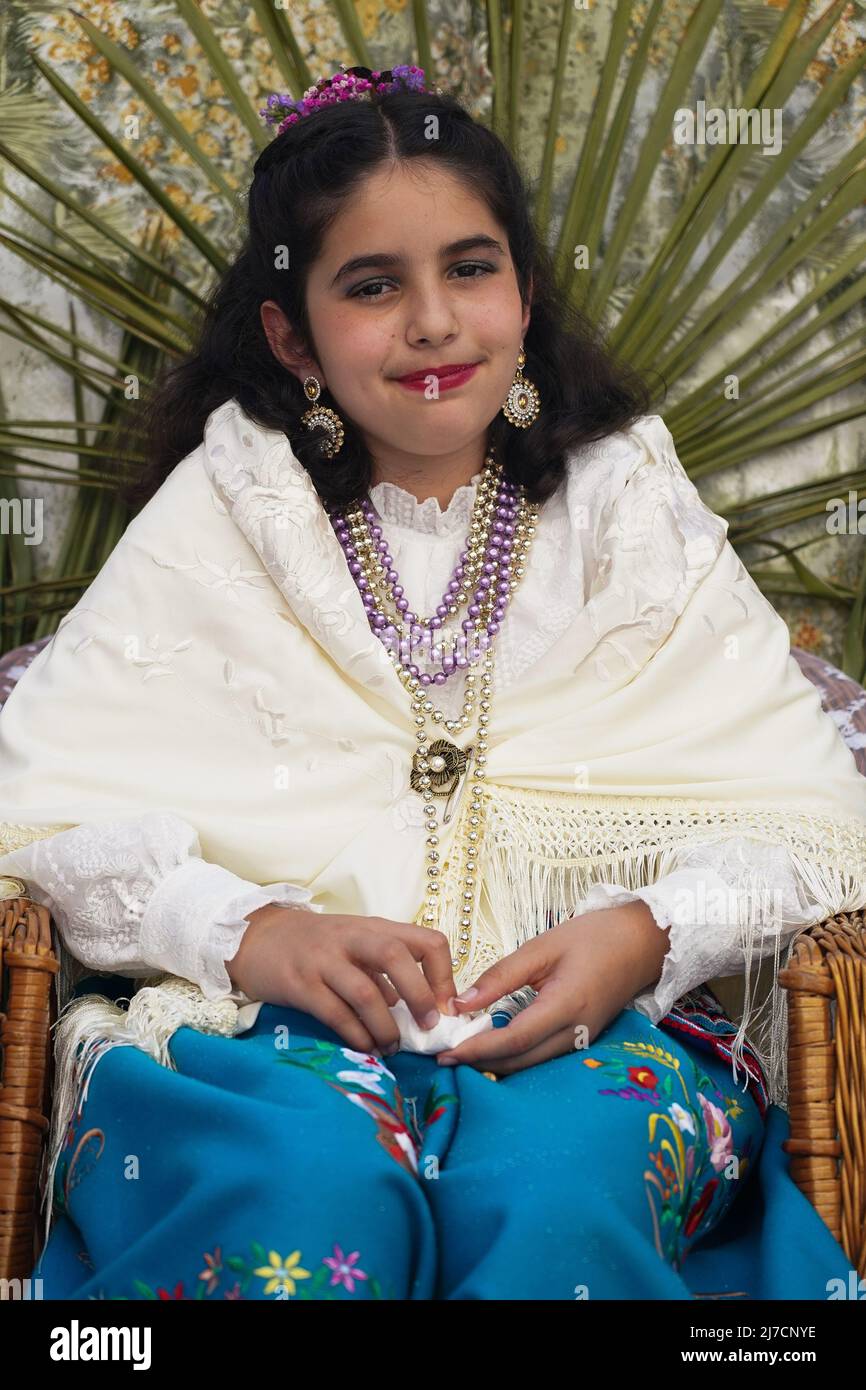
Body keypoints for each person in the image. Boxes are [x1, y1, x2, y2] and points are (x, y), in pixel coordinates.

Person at [1, 65, 865, 1302]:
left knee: (558, 1192)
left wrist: (643, 933)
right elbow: (34, 814)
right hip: (265, 1038)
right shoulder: (226, 514)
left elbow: (816, 822)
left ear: (521, 293)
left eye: (470, 267)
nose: (432, 321)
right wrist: (251, 933)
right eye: (370, 285)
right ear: (290, 333)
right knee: (302, 1196)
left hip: (596, 1029)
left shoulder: (623, 505)